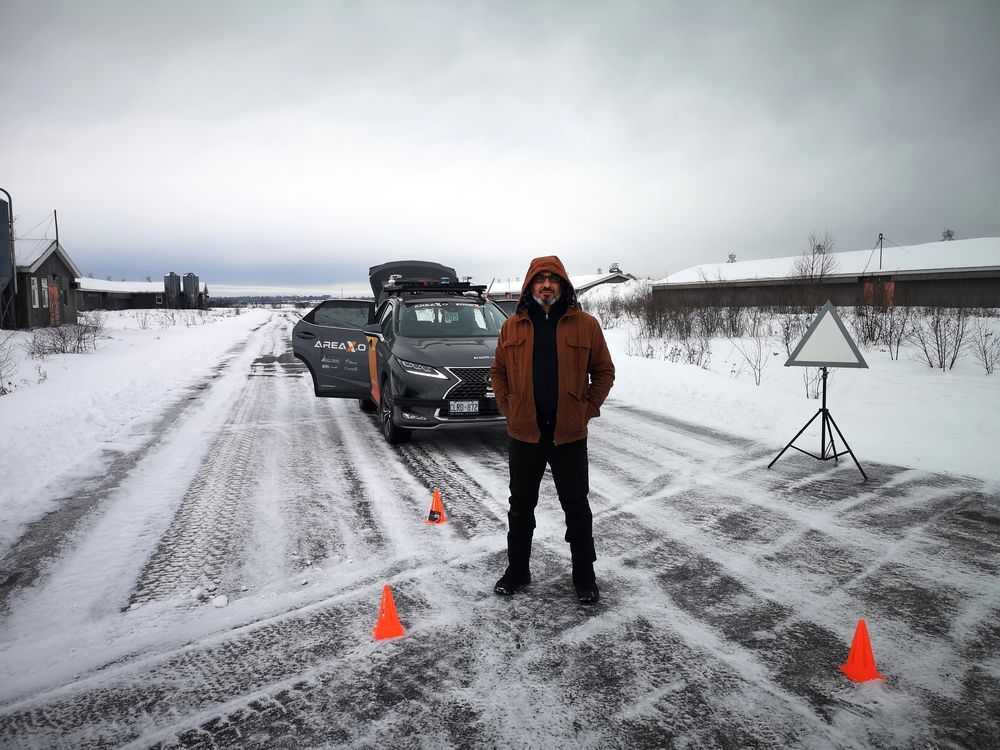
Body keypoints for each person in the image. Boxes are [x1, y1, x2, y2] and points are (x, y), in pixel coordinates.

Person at [489, 256, 615, 604]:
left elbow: (604, 372)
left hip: (568, 435)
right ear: (530, 286)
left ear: (563, 285)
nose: (546, 284)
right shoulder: (512, 326)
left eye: (553, 278)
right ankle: (517, 570)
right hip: (524, 434)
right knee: (520, 506)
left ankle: (584, 577)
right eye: (539, 279)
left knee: (576, 506)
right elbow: (498, 371)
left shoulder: (585, 325)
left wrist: (586, 409)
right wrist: (507, 406)